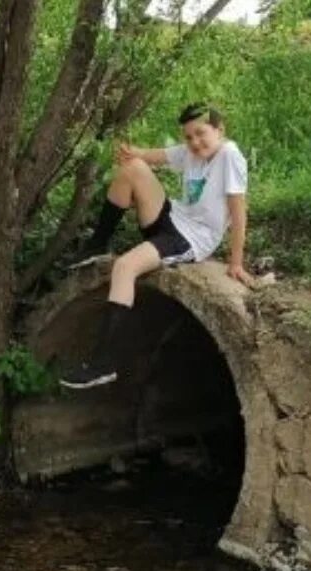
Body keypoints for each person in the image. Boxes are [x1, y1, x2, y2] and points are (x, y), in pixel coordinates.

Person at [59, 103, 254, 390]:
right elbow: (154, 156)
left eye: (201, 134)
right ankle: (97, 244)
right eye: (188, 137)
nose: (194, 142)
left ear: (219, 129)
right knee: (132, 169)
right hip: (173, 217)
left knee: (125, 267)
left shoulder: (229, 155)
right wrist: (131, 151)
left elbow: (238, 211)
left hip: (190, 238)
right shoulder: (191, 151)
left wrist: (236, 262)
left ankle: (103, 364)